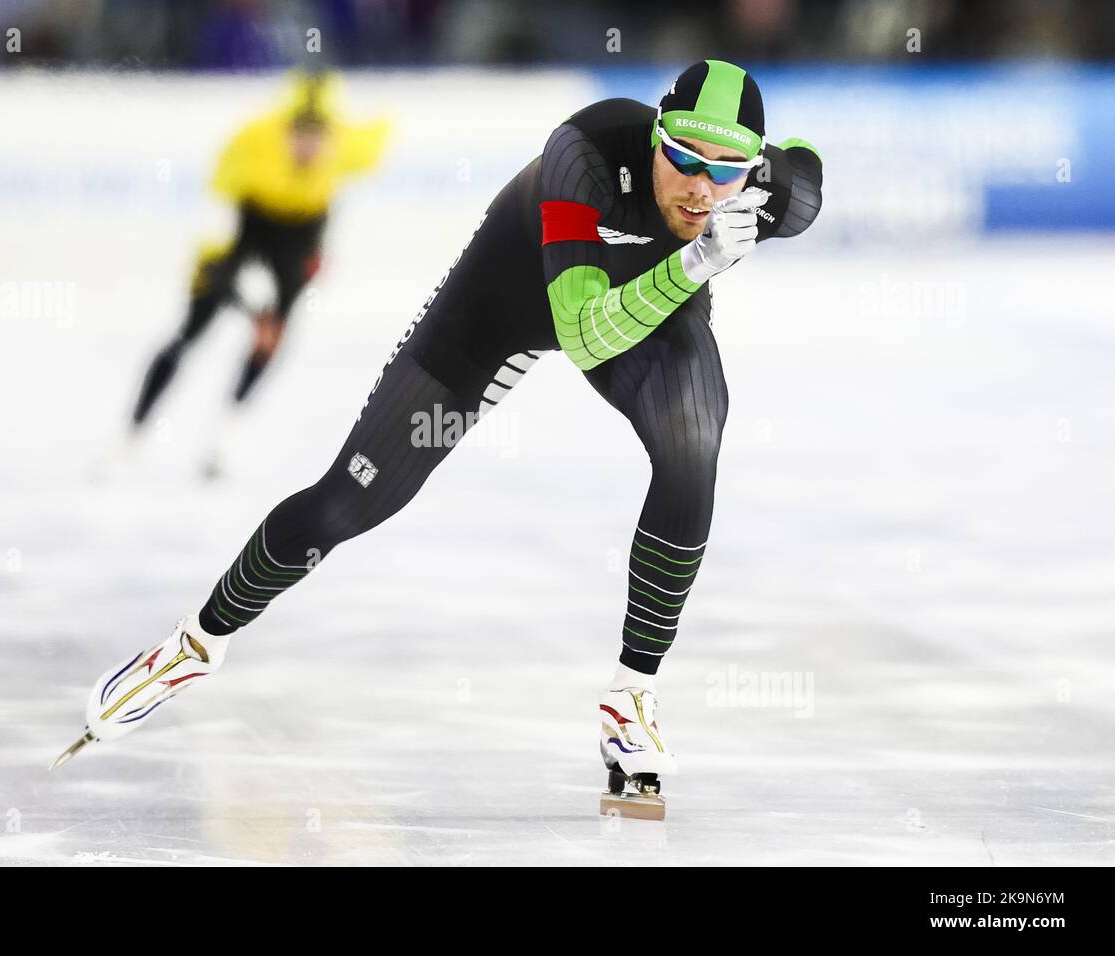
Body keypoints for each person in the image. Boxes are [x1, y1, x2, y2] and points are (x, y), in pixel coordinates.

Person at [57, 60, 824, 810]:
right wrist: (695, 261)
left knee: (693, 444)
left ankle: (632, 698)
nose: (698, 185)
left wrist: (786, 188)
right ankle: (196, 642)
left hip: (651, 310)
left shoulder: (750, 188)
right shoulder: (584, 153)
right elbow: (585, 335)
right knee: (346, 505)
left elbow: (809, 183)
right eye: (683, 156)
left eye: (724, 172)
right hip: (497, 313)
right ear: (657, 137)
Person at [125, 70, 390, 477]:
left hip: (299, 237)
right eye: (298, 132)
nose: (308, 145)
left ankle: (223, 436)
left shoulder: (354, 144)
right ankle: (134, 432)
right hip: (242, 231)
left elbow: (386, 130)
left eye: (319, 134)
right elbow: (217, 233)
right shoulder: (248, 144)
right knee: (193, 328)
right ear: (281, 127)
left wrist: (315, 256)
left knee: (272, 338)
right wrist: (248, 304)